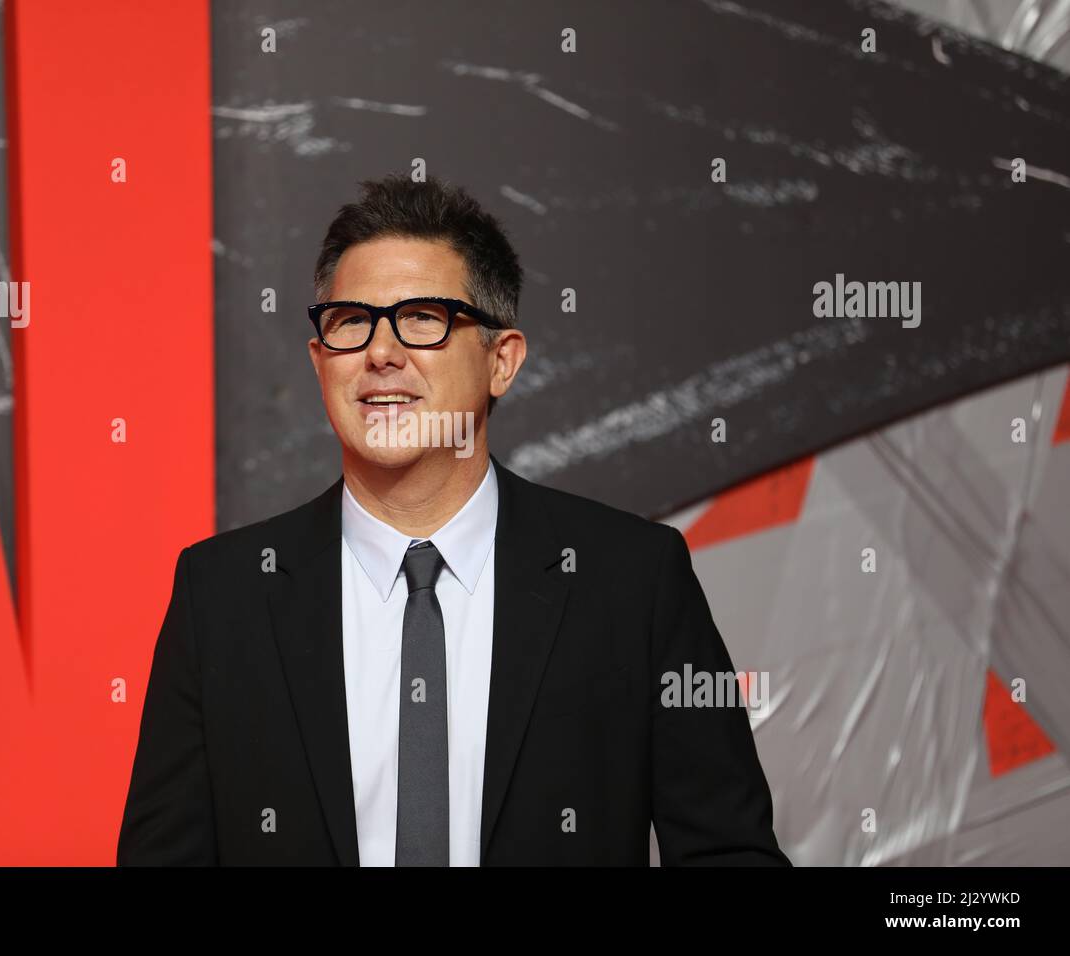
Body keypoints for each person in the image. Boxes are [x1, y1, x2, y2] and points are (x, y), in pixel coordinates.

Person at [117, 174, 790, 866]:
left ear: (502, 361)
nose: (381, 353)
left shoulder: (632, 580)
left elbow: (729, 852)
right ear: (319, 362)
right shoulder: (224, 596)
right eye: (351, 322)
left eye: (422, 318)